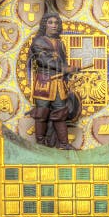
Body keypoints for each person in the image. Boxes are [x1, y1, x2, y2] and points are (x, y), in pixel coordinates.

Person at [29, 13, 78, 150]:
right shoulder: (38, 42)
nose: (54, 25)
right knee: (41, 114)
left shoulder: (61, 44)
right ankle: (40, 144)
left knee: (60, 112)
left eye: (56, 23)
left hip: (58, 84)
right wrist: (65, 68)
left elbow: (63, 62)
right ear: (45, 24)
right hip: (44, 81)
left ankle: (63, 144)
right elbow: (43, 60)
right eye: (50, 22)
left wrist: (70, 71)